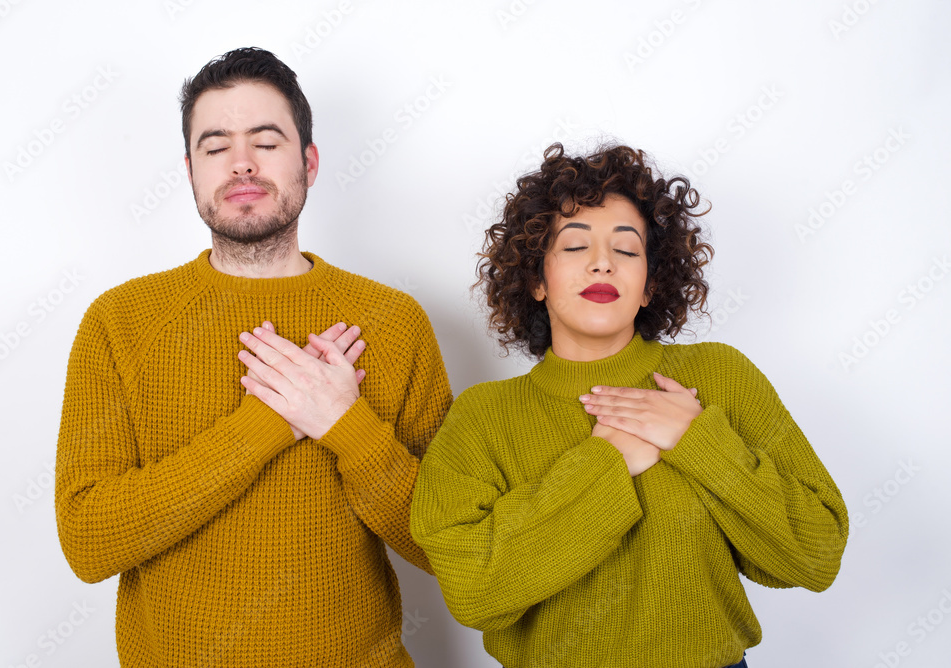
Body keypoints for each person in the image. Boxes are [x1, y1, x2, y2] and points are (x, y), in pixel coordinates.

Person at [55, 47, 451, 667]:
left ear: (309, 162)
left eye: (266, 142)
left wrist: (347, 427)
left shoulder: (394, 321)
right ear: (191, 171)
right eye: (216, 147)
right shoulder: (120, 322)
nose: (242, 163)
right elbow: (88, 542)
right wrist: (264, 425)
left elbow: (446, 546)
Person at [410, 143, 848, 667]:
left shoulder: (719, 376)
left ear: (649, 286)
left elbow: (816, 554)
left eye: (626, 249)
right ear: (536, 280)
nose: (602, 263)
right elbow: (474, 591)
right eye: (575, 246)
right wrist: (606, 463)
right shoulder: (482, 416)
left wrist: (699, 442)